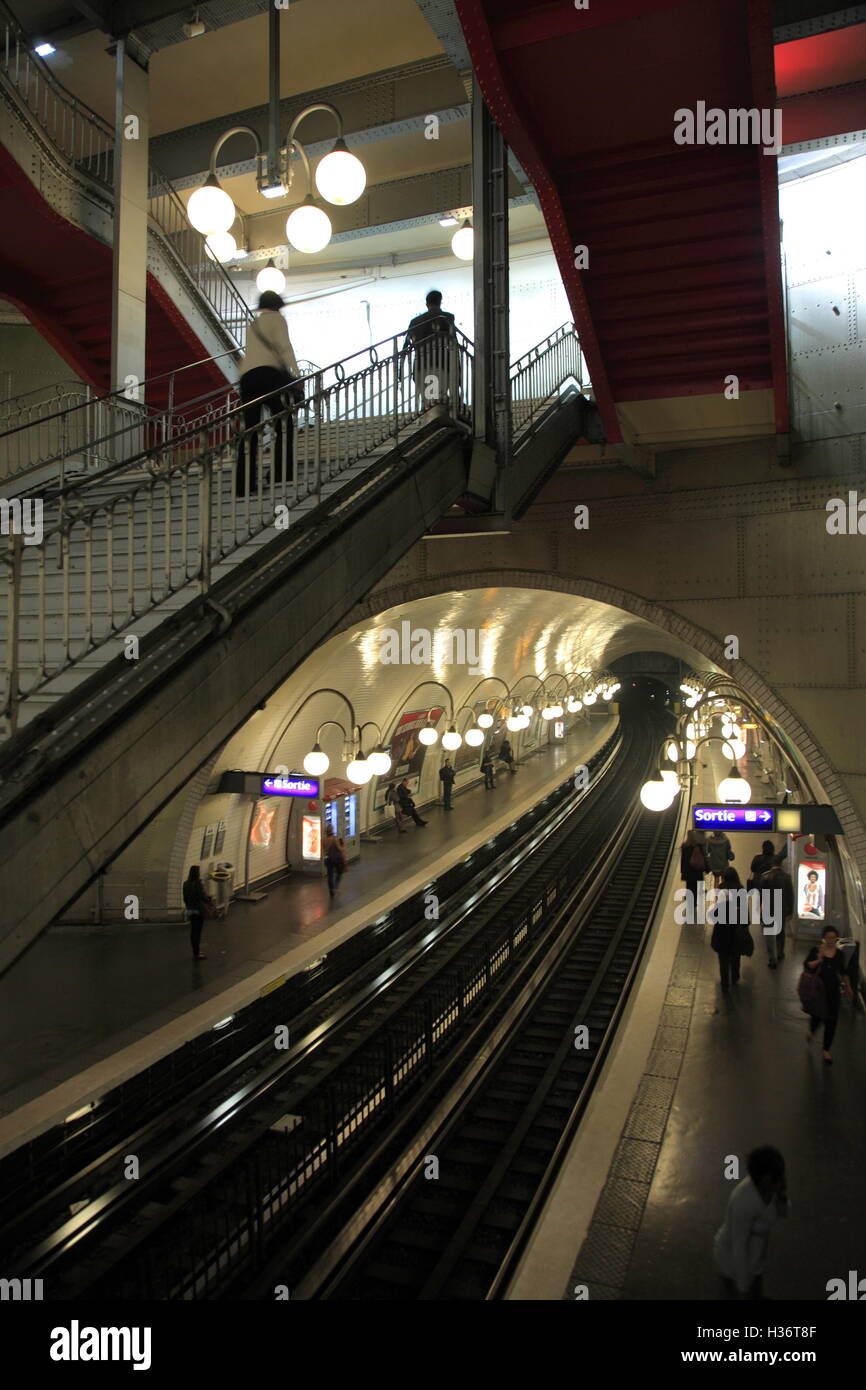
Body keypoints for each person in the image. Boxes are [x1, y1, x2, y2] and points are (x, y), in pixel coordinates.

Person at [235, 290, 303, 497]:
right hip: (269, 375)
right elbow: (285, 347)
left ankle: (244, 484)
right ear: (278, 305)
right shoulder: (277, 319)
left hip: (247, 379)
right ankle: (281, 473)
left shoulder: (254, 324)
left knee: (251, 432)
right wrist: (297, 375)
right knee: (284, 425)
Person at [713, 1146, 788, 1299]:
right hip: (732, 1261)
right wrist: (742, 1287)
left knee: (755, 1290)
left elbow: (783, 1213)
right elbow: (739, 1247)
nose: (782, 1180)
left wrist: (782, 1196)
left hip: (755, 1256)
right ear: (765, 1179)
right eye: (777, 1178)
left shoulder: (773, 1186)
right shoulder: (744, 1201)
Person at [804, 925, 853, 1062]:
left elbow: (843, 972)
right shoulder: (816, 950)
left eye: (834, 938)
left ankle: (826, 1049)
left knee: (832, 1021)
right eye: (828, 938)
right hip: (818, 990)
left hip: (833, 992)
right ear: (824, 938)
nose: (831, 940)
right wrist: (819, 959)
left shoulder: (839, 955)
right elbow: (807, 966)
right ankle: (812, 1031)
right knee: (817, 1016)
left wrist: (848, 987)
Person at [401, 289, 456, 410]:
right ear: (440, 302)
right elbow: (453, 344)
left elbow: (406, 346)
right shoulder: (447, 318)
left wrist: (400, 371)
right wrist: (458, 370)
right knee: (437, 400)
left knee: (429, 401)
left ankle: (432, 416)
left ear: (427, 304)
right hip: (441, 364)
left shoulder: (415, 322)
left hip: (421, 366)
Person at [710, 866, 744, 991]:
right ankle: (735, 976)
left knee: (723, 957)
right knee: (735, 954)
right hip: (735, 927)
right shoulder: (740, 889)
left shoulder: (721, 889)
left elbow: (717, 908)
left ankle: (725, 983)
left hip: (722, 928)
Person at [758, 860, 793, 968]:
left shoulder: (764, 876)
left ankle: (772, 958)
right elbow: (790, 895)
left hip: (768, 907)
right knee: (780, 931)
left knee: (769, 933)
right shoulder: (787, 877)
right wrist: (790, 909)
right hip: (781, 907)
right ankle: (780, 952)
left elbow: (760, 895)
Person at [182, 863, 213, 960]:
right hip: (198, 910)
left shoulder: (185, 883)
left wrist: (188, 906)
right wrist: (210, 901)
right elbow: (202, 896)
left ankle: (195, 951)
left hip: (190, 910)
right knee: (198, 931)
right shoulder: (198, 883)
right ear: (197, 873)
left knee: (193, 931)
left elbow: (185, 898)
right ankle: (197, 953)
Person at [680, 828, 709, 919]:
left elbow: (683, 860)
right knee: (697, 887)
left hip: (688, 872)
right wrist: (706, 868)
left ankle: (690, 903)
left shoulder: (684, 846)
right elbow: (703, 858)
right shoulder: (698, 846)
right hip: (697, 871)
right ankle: (695, 902)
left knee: (689, 887)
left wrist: (682, 870)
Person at [323, 828, 346, 897]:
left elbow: (323, 851)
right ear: (332, 831)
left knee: (330, 875)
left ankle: (331, 891)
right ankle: (336, 886)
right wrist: (344, 847)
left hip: (328, 859)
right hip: (336, 859)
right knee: (339, 872)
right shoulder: (334, 839)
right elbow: (340, 849)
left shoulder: (323, 840)